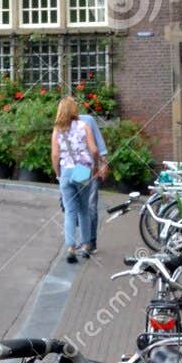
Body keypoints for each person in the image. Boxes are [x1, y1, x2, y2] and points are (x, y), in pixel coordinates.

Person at [51, 96, 95, 264]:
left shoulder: (57, 130)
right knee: (84, 209)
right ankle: (85, 245)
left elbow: (55, 155)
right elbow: (94, 150)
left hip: (66, 170)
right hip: (82, 170)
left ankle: (70, 248)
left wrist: (58, 173)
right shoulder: (84, 126)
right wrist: (95, 165)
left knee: (70, 211)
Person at [77, 105, 108, 254]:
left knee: (90, 205)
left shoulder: (87, 120)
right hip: (76, 170)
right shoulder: (63, 125)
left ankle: (91, 242)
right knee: (78, 205)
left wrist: (104, 163)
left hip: (89, 166)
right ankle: (84, 240)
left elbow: (99, 145)